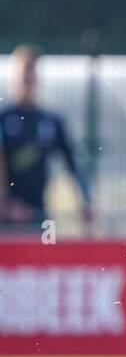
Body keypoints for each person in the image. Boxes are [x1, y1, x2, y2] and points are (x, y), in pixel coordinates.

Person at [0, 46, 93, 229]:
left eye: (31, 71)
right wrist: (6, 203)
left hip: (38, 214)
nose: (27, 77)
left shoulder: (50, 120)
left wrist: (85, 201)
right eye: (23, 72)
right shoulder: (3, 118)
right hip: (6, 218)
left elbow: (72, 163)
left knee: (41, 254)